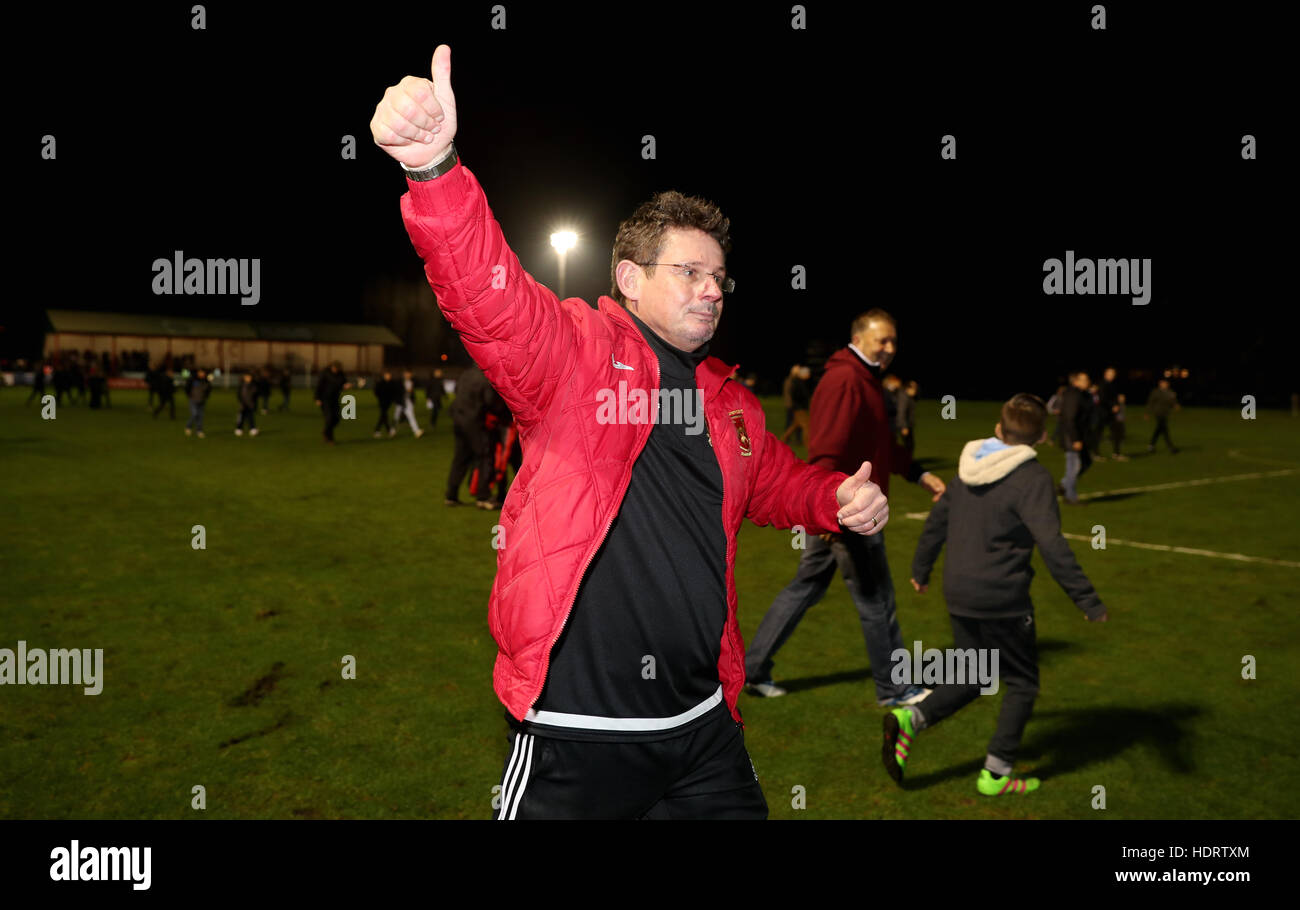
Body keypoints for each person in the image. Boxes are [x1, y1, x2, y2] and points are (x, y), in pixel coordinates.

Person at [373, 45, 891, 819]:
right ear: (629, 278)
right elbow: (491, 298)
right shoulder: (574, 354)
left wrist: (835, 499)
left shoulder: (731, 403)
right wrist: (435, 171)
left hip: (703, 725)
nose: (712, 290)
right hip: (578, 730)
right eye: (689, 271)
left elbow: (780, 483)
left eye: (720, 277)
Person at [889, 393, 1109, 796]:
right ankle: (995, 773)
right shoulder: (1033, 478)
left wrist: (921, 569)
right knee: (1022, 683)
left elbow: (938, 519)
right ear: (1042, 437)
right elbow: (1052, 544)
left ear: (997, 429)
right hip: (1001, 597)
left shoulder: (968, 466)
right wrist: (1087, 600)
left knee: (977, 674)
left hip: (959, 591)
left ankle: (913, 718)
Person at [745, 309, 944, 706]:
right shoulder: (845, 379)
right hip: (848, 510)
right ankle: (894, 689)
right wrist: (824, 507)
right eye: (881, 340)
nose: (889, 348)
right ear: (859, 337)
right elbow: (825, 451)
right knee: (878, 599)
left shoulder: (865, 378)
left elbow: (880, 444)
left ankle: (751, 670)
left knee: (804, 588)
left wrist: (918, 473)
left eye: (893, 340)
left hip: (839, 507)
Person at [445, 363, 500, 509]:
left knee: (460, 457)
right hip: (474, 421)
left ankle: (451, 495)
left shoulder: (466, 373)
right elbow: (490, 401)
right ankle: (483, 496)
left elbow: (457, 391)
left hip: (458, 417)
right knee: (484, 456)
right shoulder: (486, 377)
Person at [1058, 371, 1093, 505]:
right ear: (1076, 381)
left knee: (1086, 462)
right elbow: (1069, 419)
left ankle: (1064, 485)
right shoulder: (1072, 395)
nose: (1087, 382)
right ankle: (1070, 496)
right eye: (1084, 380)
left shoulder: (1082, 394)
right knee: (1074, 466)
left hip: (1078, 435)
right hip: (1071, 437)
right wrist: (1075, 439)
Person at [314, 361, 352, 445]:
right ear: (331, 367)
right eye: (335, 368)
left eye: (337, 369)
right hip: (325, 399)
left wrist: (346, 385)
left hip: (335, 399)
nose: (336, 370)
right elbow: (319, 386)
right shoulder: (325, 373)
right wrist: (317, 398)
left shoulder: (340, 374)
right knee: (329, 418)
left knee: (337, 418)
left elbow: (343, 383)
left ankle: (326, 432)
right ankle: (330, 439)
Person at [1096, 366, 1126, 460]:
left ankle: (1116, 453)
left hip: (1111, 413)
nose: (1112, 375)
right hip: (1103, 413)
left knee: (1117, 432)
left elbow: (1113, 397)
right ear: (1105, 374)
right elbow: (1102, 398)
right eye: (1110, 374)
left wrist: (1118, 401)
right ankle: (1096, 454)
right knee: (1098, 433)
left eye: (1113, 374)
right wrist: (1112, 405)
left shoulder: (1112, 384)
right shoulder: (1102, 384)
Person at [1144, 377, 1180, 454]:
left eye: (1165, 383)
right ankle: (1170, 447)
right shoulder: (1156, 392)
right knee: (1164, 429)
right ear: (1160, 384)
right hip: (1158, 413)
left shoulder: (1170, 392)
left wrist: (1175, 405)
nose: (1164, 385)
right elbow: (1150, 403)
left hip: (1165, 413)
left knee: (1159, 429)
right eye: (1162, 383)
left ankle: (1151, 445)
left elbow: (1172, 402)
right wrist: (1147, 413)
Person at [780, 365, 811, 446]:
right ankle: (806, 443)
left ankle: (784, 438)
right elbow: (794, 395)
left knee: (794, 425)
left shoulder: (798, 382)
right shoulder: (795, 382)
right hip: (798, 408)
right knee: (806, 426)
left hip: (798, 407)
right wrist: (792, 405)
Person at [394, 369, 425, 438]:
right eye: (407, 374)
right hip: (400, 401)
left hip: (407, 401)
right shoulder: (399, 381)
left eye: (409, 374)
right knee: (396, 416)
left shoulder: (411, 381)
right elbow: (397, 391)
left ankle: (416, 431)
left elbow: (411, 392)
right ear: (404, 374)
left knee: (411, 415)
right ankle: (392, 430)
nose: (408, 375)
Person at [373, 369, 401, 437]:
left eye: (389, 375)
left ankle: (380, 430)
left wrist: (393, 399)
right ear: (384, 376)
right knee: (384, 415)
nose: (388, 376)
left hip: (388, 402)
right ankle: (383, 430)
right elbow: (376, 391)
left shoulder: (392, 383)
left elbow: (395, 392)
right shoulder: (380, 383)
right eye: (387, 375)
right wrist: (380, 397)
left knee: (384, 416)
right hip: (382, 401)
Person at [184, 368, 211, 438]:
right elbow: (187, 387)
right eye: (201, 372)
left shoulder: (206, 381)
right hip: (193, 400)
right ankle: (188, 426)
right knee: (194, 414)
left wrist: (206, 396)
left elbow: (209, 389)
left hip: (202, 400)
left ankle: (199, 430)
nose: (202, 374)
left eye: (203, 373)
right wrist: (189, 395)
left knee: (200, 416)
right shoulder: (192, 379)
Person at [235, 372, 259, 436]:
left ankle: (252, 429)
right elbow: (239, 395)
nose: (248, 378)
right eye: (246, 377)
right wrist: (241, 402)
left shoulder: (253, 385)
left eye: (249, 377)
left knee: (250, 417)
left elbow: (255, 395)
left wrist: (253, 403)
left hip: (250, 404)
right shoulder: (242, 385)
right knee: (241, 417)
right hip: (243, 404)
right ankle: (239, 429)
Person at [898, 379, 918, 457]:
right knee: (909, 445)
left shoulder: (909, 397)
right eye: (914, 388)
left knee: (910, 445)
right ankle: (907, 462)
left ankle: (907, 461)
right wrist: (903, 427)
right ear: (908, 388)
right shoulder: (904, 398)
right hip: (905, 426)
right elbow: (901, 412)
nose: (915, 391)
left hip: (908, 425)